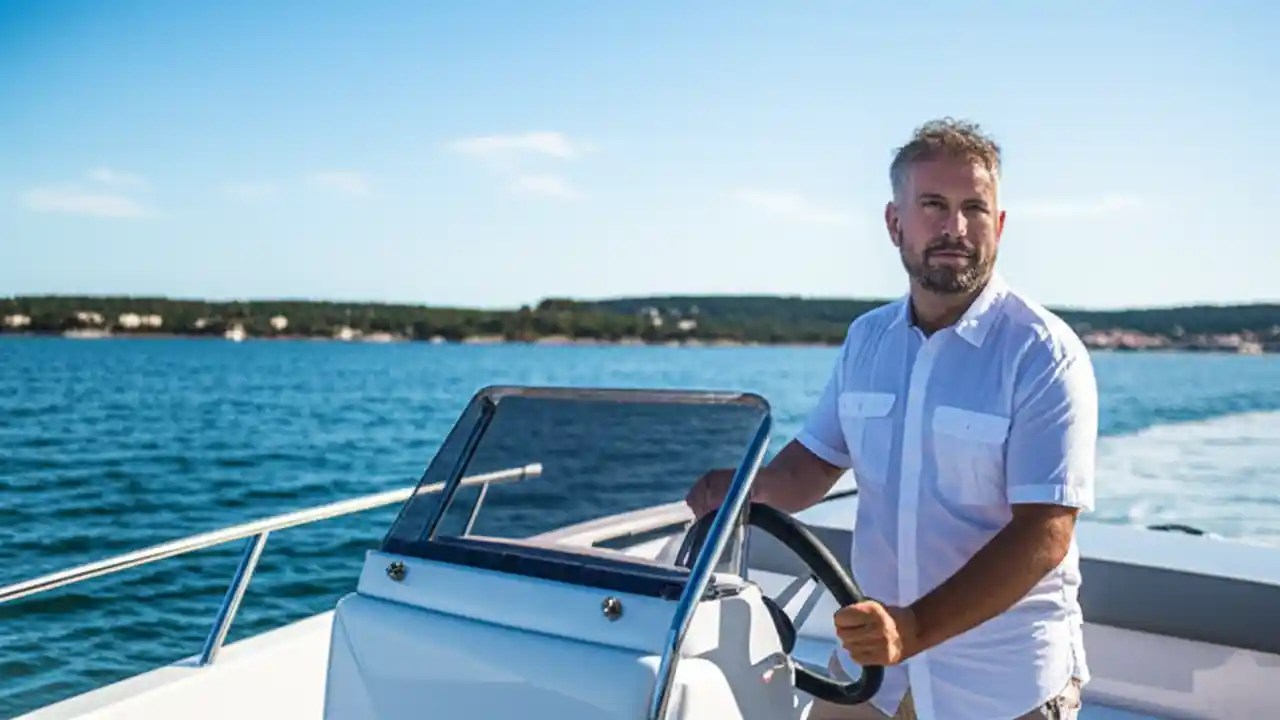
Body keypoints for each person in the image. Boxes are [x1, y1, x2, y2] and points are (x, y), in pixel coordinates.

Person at [686, 118, 1096, 720]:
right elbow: (809, 469)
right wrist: (741, 488)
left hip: (999, 687)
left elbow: (1045, 533)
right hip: (873, 671)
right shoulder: (867, 340)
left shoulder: (1043, 353)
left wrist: (914, 627)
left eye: (974, 209)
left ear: (1000, 225)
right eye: (933, 206)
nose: (956, 228)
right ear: (894, 222)